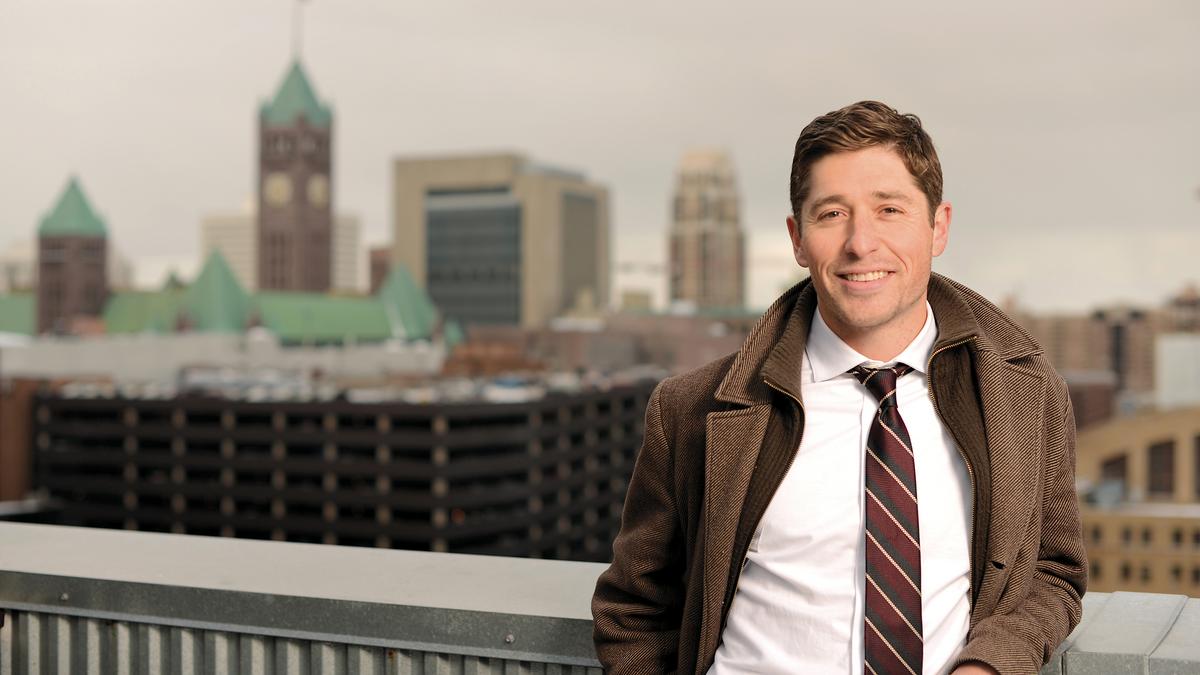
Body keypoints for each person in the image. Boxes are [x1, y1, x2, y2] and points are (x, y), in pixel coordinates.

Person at [591, 101, 1086, 675]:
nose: (860, 243)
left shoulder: (1023, 394)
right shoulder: (694, 409)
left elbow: (1053, 572)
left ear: (939, 226)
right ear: (798, 239)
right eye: (832, 214)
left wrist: (992, 664)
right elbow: (635, 610)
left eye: (890, 209)